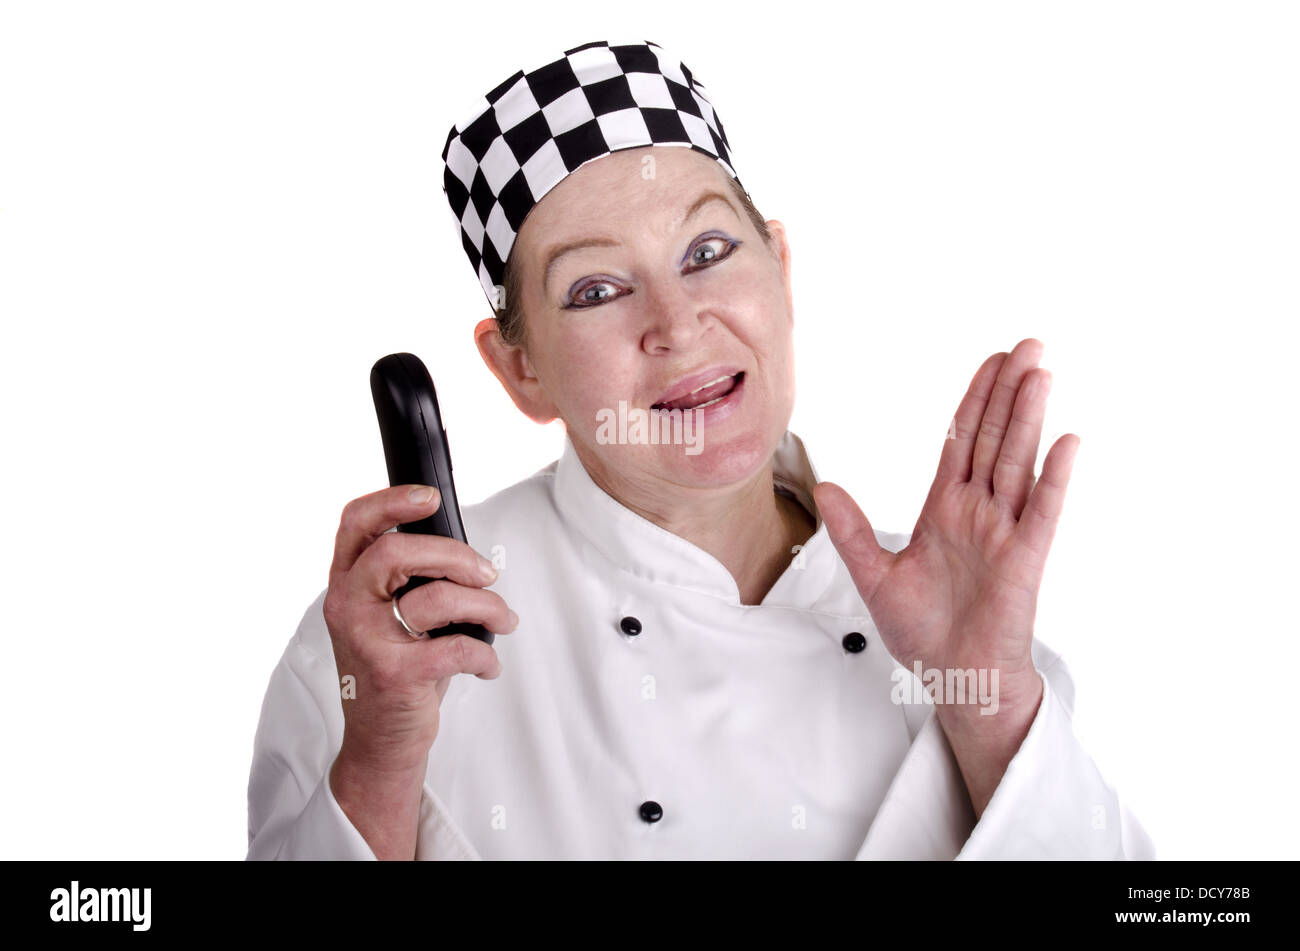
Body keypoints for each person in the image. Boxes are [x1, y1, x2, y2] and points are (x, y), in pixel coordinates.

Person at [246, 39, 1154, 860]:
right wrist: (383, 755)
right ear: (519, 372)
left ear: (782, 274)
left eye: (709, 249)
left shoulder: (959, 621)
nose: (677, 326)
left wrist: (988, 702)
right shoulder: (391, 645)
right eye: (597, 290)